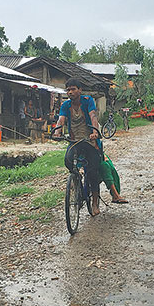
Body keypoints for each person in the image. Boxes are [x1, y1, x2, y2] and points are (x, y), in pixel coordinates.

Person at [53, 78, 103, 216]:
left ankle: (94, 202)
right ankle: (77, 183)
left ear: (80, 90)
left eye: (73, 89)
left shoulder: (88, 101)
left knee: (93, 171)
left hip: (89, 141)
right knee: (68, 161)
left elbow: (93, 116)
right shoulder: (66, 105)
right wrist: (57, 132)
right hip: (74, 141)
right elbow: (61, 120)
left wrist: (94, 131)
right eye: (68, 90)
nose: (70, 92)